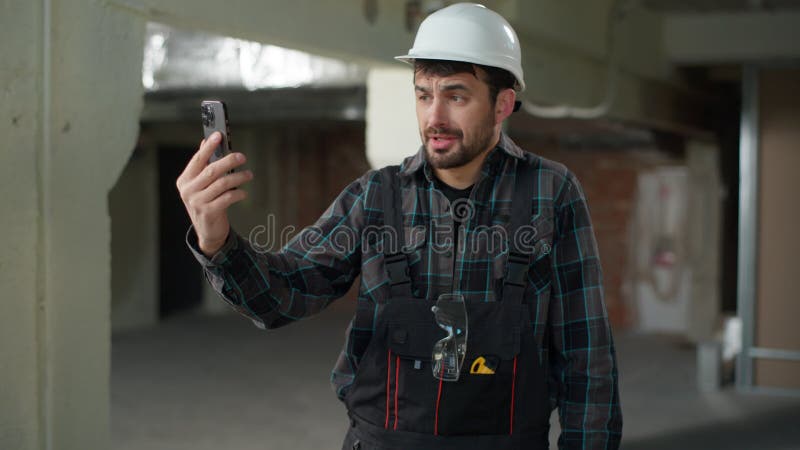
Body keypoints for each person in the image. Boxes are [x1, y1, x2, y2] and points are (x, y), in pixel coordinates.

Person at [176, 3, 622, 449]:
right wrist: (217, 242)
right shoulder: (376, 195)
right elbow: (282, 296)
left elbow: (586, 356)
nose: (435, 117)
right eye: (424, 94)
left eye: (457, 96)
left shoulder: (551, 191)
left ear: (503, 103)